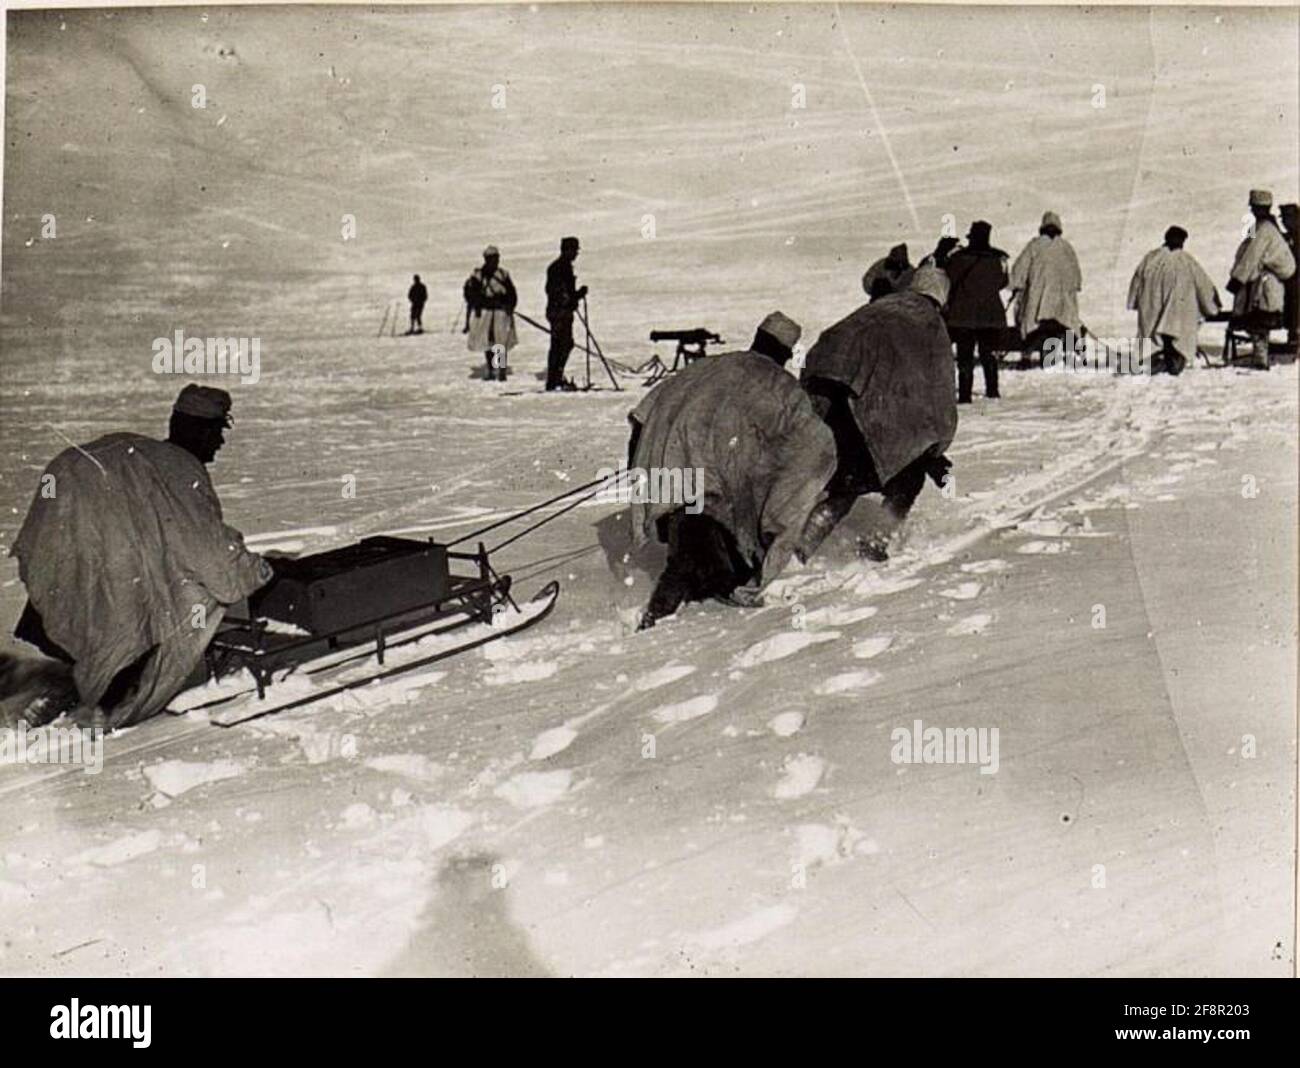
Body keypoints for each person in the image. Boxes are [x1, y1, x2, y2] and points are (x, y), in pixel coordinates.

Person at [9, 385, 272, 729]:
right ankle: (103, 696)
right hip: (106, 585)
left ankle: (63, 672)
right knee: (176, 603)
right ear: (201, 429)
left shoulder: (137, 453)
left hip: (65, 576)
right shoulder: (180, 469)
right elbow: (210, 555)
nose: (221, 443)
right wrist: (260, 572)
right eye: (218, 432)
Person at [627, 312, 836, 630]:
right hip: (715, 488)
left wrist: (641, 469)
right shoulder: (782, 387)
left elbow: (642, 414)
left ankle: (682, 605)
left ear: (757, 338)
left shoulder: (706, 366)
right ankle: (654, 619)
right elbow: (815, 443)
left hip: (675, 472)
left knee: (698, 550)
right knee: (691, 554)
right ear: (786, 352)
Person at [798, 266, 957, 563]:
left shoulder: (881, 306)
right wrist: (936, 447)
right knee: (907, 478)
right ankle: (876, 540)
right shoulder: (931, 324)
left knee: (845, 482)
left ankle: (802, 548)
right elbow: (939, 392)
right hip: (886, 416)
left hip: (840, 396)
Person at [1126, 226, 1220, 376]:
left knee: (1154, 334)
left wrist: (1135, 302)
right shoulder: (1185, 261)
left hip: (1152, 311)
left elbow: (1136, 283)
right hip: (1176, 315)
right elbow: (1204, 286)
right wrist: (1213, 305)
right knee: (1175, 331)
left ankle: (1156, 357)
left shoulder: (1150, 258)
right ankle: (1171, 360)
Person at [1227, 190, 1297, 370]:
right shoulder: (1257, 227)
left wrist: (1237, 279)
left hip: (1267, 283)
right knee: (1257, 320)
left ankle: (1261, 359)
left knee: (1261, 320)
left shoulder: (1265, 229)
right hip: (1259, 281)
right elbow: (1244, 250)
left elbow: (1252, 256)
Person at [945, 220, 1009, 401]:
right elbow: (1002, 282)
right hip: (989, 316)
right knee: (988, 355)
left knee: (965, 357)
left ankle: (965, 395)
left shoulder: (959, 258)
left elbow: (950, 278)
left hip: (963, 315)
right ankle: (992, 391)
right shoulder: (997, 258)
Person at [1009, 211, 1082, 366]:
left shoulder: (1034, 246)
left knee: (1031, 326)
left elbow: (1018, 272)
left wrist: (1017, 286)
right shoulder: (1067, 248)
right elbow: (1076, 279)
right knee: (1063, 324)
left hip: (1037, 304)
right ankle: (1067, 355)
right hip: (1061, 305)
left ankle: (1027, 356)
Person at [463, 246, 518, 381]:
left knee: (500, 341)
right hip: (485, 313)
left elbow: (512, 293)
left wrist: (509, 305)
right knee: (487, 342)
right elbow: (472, 296)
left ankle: (500, 370)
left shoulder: (503, 274)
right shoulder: (478, 276)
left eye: (497, 258)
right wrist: (487, 302)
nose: (495, 261)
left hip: (500, 313)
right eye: (493, 258)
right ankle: (492, 368)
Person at [545, 236, 588, 391]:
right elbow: (556, 291)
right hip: (559, 312)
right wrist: (573, 297)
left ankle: (555, 377)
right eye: (574, 250)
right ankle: (554, 379)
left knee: (564, 344)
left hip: (561, 312)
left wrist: (576, 296)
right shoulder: (558, 268)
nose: (576, 253)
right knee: (560, 345)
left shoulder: (564, 267)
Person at [1281, 203, 1299, 353]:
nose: (1284, 223)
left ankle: (1294, 335)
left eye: (1287, 218)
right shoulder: (1289, 236)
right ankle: (1293, 334)